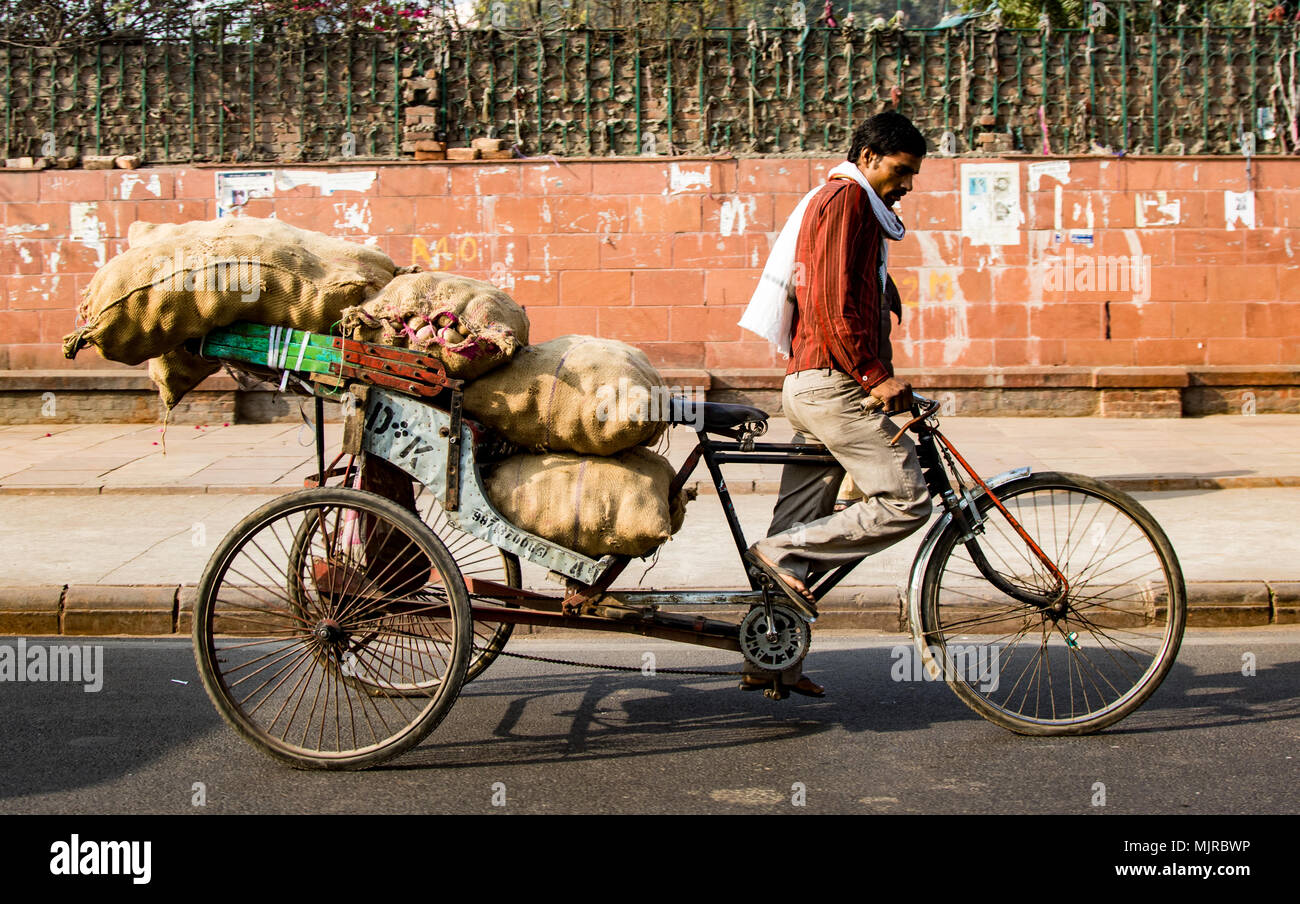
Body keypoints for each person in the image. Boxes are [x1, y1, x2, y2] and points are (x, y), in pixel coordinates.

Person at [740, 111, 934, 697]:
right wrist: (876, 378)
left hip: (817, 383)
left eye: (913, 176)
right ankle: (777, 553)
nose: (906, 185)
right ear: (870, 156)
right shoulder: (845, 201)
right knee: (906, 499)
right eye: (901, 171)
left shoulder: (860, 210)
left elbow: (852, 295)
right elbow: (827, 301)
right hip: (833, 385)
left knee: (797, 521)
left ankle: (771, 660)